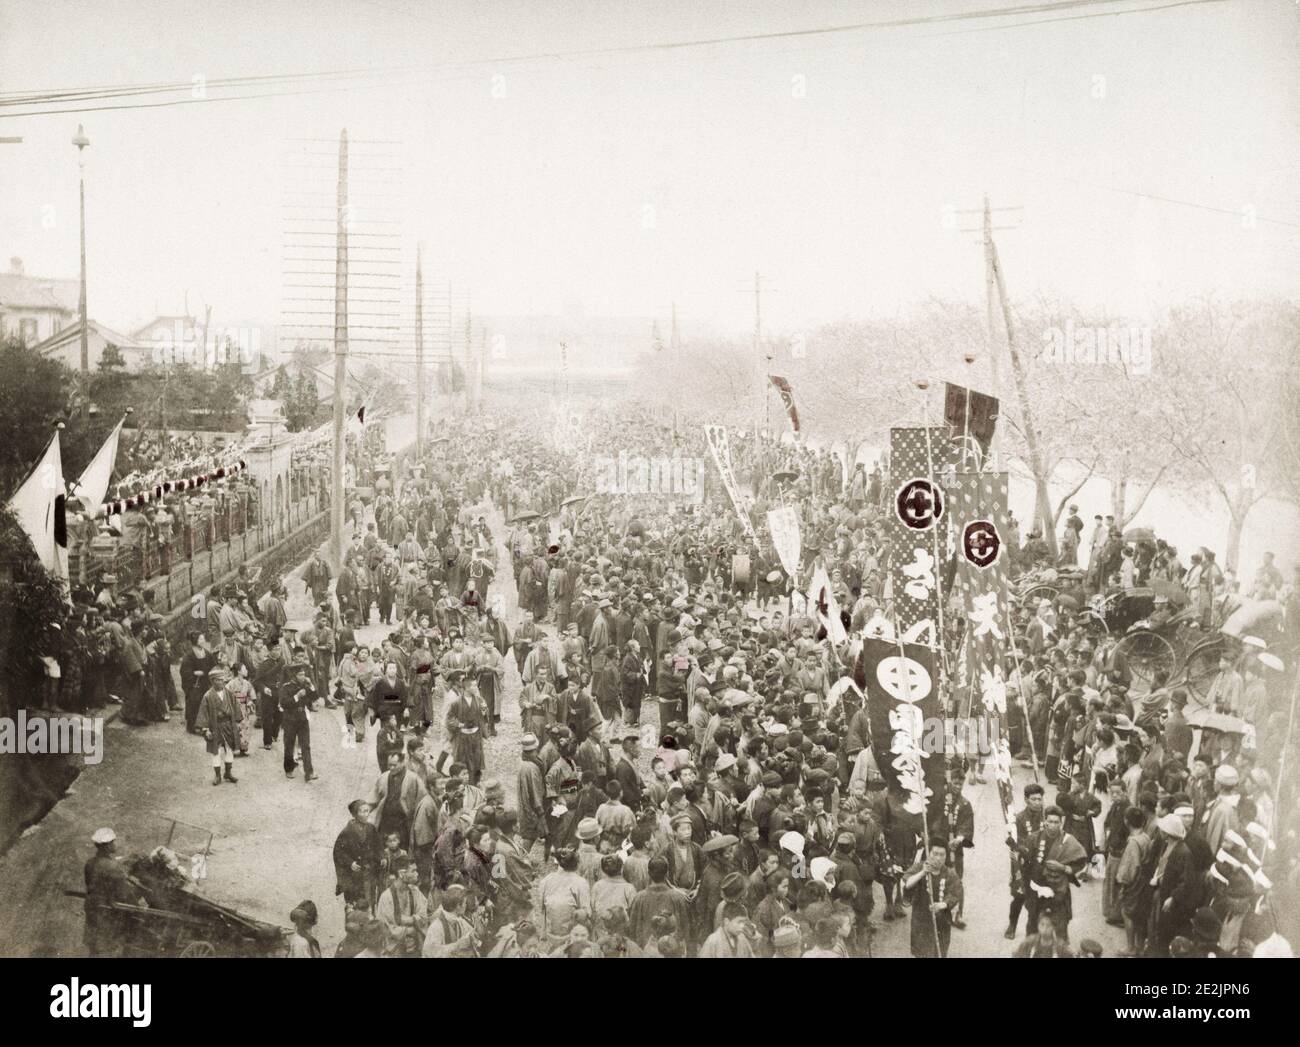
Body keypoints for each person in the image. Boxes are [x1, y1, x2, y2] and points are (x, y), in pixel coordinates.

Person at [83, 828, 146, 957]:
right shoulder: (112, 866)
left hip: (92, 906)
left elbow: (90, 884)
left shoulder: (90, 863)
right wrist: (137, 906)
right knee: (110, 945)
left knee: (94, 945)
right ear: (106, 846)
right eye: (113, 842)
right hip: (107, 911)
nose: (115, 844)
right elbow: (124, 893)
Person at [903, 837, 962, 958]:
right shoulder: (920, 867)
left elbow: (955, 894)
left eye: (942, 854)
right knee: (921, 953)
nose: (938, 858)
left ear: (946, 856)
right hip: (921, 922)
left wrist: (943, 905)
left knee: (939, 953)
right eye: (935, 854)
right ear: (929, 853)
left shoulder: (950, 873)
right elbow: (907, 883)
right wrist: (923, 873)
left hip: (941, 924)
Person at [195, 666, 240, 786]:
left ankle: (228, 773)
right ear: (213, 681)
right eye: (218, 680)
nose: (221, 682)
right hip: (215, 727)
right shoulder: (208, 696)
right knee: (217, 752)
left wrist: (238, 723)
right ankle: (217, 775)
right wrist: (205, 729)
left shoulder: (229, 693)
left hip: (229, 726)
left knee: (230, 749)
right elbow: (203, 713)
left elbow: (236, 708)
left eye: (222, 679)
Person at [334, 800, 381, 913]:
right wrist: (350, 863)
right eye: (363, 811)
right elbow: (338, 852)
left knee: (370, 900)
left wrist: (382, 857)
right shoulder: (347, 832)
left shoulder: (371, 828)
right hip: (354, 875)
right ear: (355, 814)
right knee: (355, 904)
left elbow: (378, 845)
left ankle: (369, 921)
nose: (366, 814)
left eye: (367, 811)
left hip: (369, 872)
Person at [279, 658, 318, 782]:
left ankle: (309, 772)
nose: (303, 676)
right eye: (300, 674)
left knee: (306, 746)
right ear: (294, 676)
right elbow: (284, 703)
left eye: (304, 674)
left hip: (302, 719)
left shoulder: (305, 686)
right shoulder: (286, 687)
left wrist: (311, 685)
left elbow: (315, 697)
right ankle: (289, 769)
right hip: (290, 719)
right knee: (289, 744)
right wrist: (297, 696)